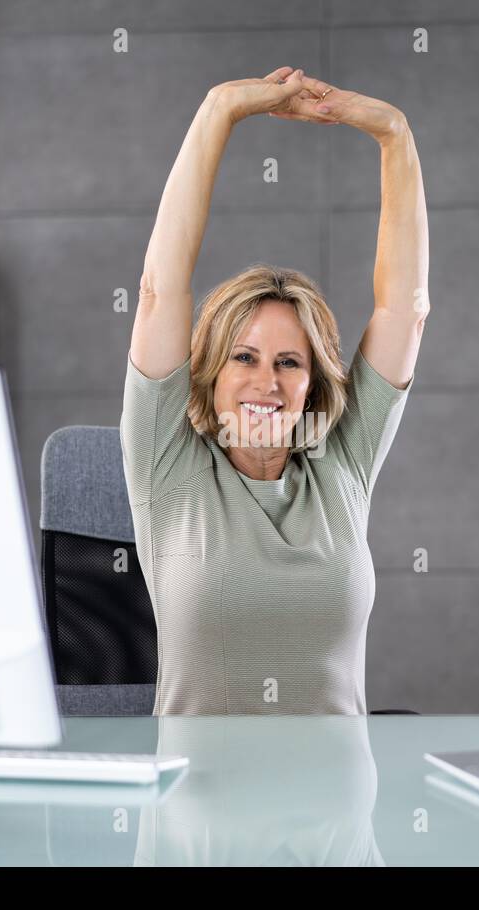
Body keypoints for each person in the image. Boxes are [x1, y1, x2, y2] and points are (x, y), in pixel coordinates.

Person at [122, 66, 430, 715]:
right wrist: (220, 108)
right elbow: (159, 290)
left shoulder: (342, 461)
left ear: (314, 382)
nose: (267, 381)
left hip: (336, 809)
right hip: (201, 812)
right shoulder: (167, 465)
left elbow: (406, 307)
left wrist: (392, 134)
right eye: (244, 356)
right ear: (208, 369)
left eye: (291, 361)